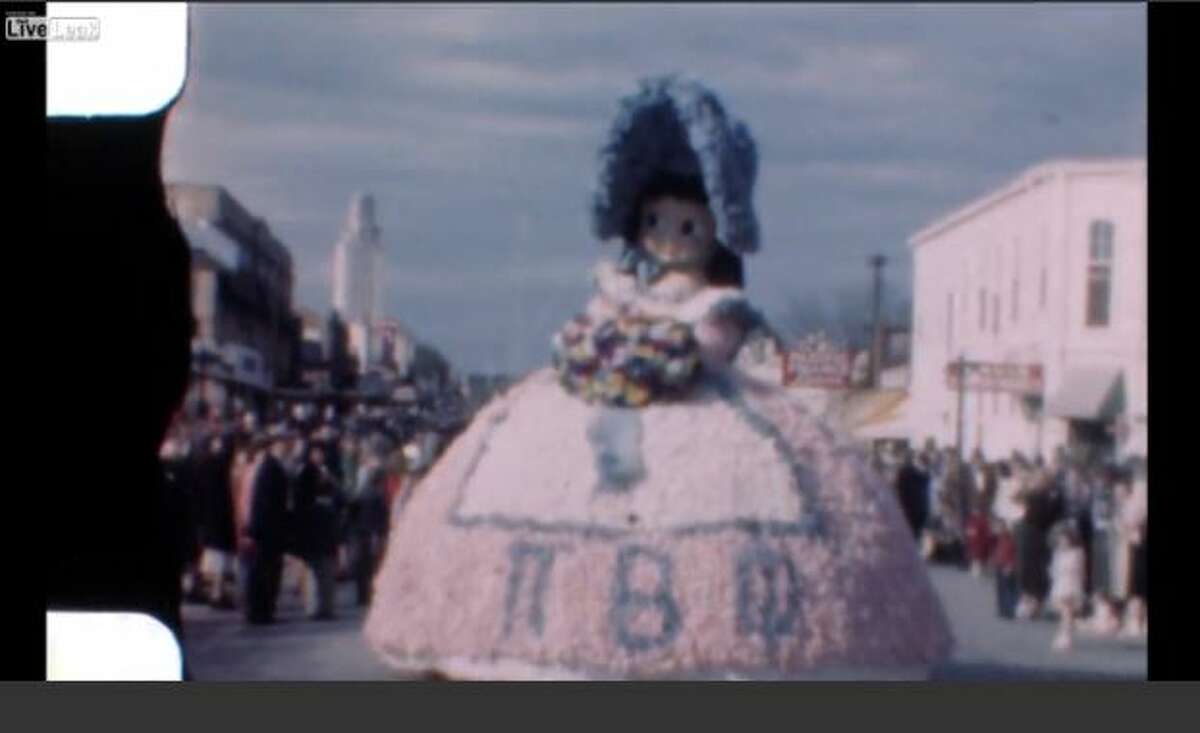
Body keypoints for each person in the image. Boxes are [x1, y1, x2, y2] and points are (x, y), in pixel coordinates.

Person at [364, 75, 953, 679]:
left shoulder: (711, 303)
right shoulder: (619, 289)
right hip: (609, 393)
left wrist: (673, 351)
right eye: (656, 222)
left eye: (688, 226)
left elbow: (717, 339)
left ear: (713, 232)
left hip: (695, 396)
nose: (670, 238)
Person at [240, 433, 291, 624]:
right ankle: (260, 610)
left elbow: (262, 502)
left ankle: (260, 611)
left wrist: (253, 528)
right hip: (267, 530)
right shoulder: (269, 468)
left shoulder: (268, 468)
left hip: (265, 530)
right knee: (264, 572)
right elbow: (263, 502)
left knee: (262, 571)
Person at [292, 442, 344, 620]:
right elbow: (300, 501)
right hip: (312, 528)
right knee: (314, 570)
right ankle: (314, 607)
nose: (319, 456)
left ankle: (327, 606)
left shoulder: (329, 472)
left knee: (327, 569)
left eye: (321, 453)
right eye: (316, 453)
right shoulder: (305, 473)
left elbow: (340, 496)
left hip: (327, 528)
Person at [198, 435, 238, 609]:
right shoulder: (223, 465)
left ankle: (217, 592)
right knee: (221, 560)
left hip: (211, 519)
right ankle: (218, 593)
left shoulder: (205, 465)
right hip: (222, 520)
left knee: (216, 559)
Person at [1048, 521, 1086, 651]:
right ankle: (1065, 633)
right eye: (1060, 540)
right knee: (1063, 612)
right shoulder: (1058, 553)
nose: (1062, 542)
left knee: (1067, 612)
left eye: (1065, 539)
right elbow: (1054, 569)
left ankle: (1065, 636)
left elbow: (1077, 570)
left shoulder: (1077, 553)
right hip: (1060, 584)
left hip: (1070, 584)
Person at [894, 447, 930, 540]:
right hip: (919, 511)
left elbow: (898, 491)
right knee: (916, 536)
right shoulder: (923, 475)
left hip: (907, 511)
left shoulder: (903, 473)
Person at [991, 518, 1019, 619]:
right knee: (1000, 588)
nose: (996, 529)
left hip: (1006, 566)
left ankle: (1009, 610)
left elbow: (1013, 553)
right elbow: (997, 551)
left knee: (1007, 589)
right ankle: (1002, 609)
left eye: (998, 527)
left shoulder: (1009, 538)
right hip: (999, 565)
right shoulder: (998, 538)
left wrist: (1010, 566)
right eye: (995, 527)